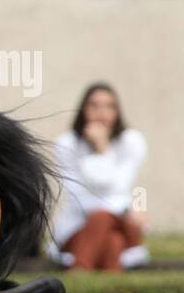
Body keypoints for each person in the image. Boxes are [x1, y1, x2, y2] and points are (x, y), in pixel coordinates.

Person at [50, 83, 149, 271]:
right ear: (83, 110)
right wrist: (125, 210)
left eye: (108, 106)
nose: (101, 113)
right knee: (113, 241)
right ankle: (108, 290)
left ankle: (79, 274)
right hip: (78, 226)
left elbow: (119, 185)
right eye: (94, 106)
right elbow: (79, 197)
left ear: (117, 112)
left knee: (106, 223)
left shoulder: (131, 142)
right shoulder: (66, 144)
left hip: (119, 224)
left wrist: (102, 148)